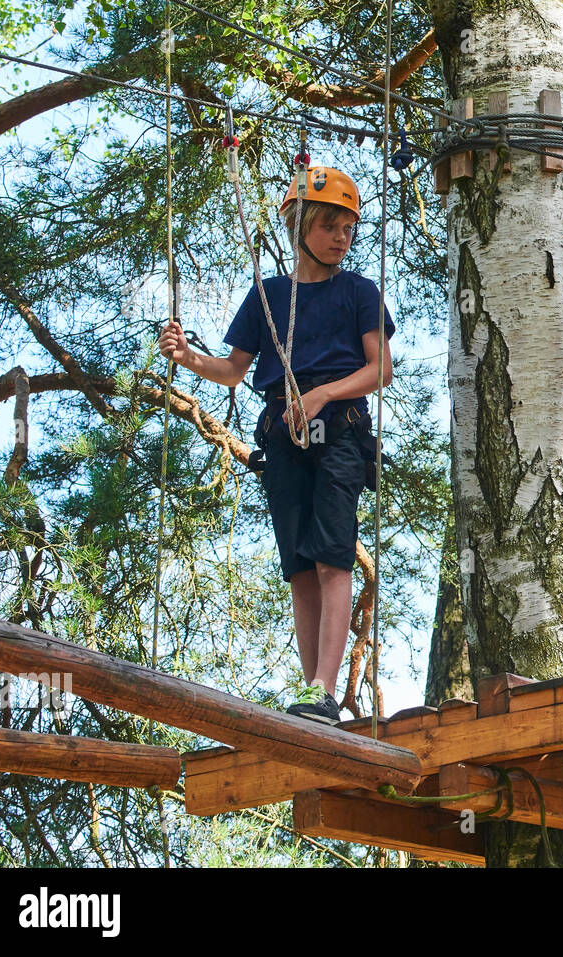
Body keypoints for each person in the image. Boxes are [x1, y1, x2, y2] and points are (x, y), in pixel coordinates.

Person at [158, 166, 395, 725]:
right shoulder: (267, 296)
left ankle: (324, 687)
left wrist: (321, 395)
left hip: (339, 431)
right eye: (331, 226)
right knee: (299, 566)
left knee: (332, 555)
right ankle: (313, 694)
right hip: (283, 438)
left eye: (348, 228)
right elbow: (234, 370)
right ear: (301, 227)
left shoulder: (359, 292)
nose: (342, 237)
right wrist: (186, 357)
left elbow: (380, 368)